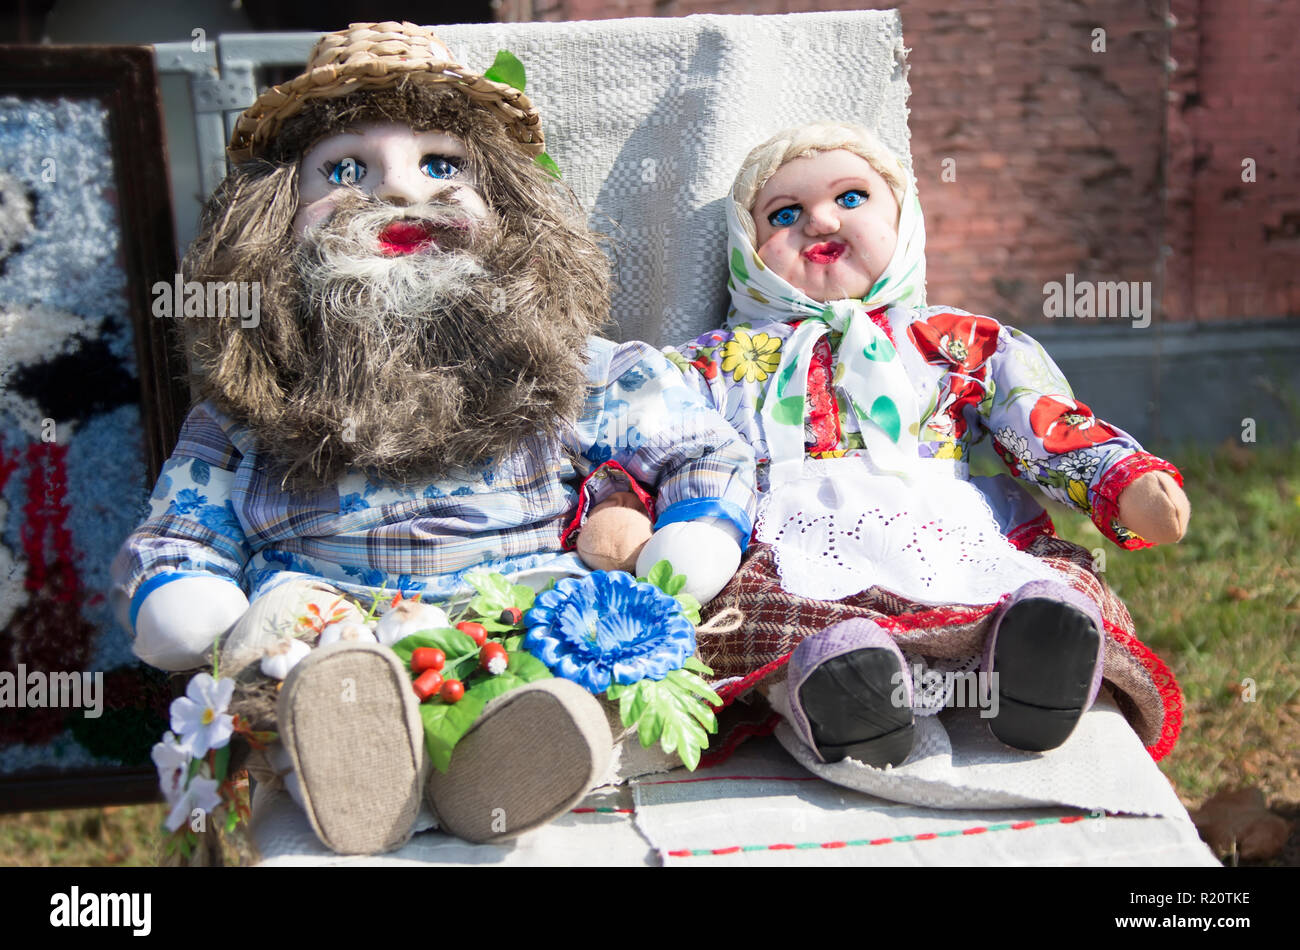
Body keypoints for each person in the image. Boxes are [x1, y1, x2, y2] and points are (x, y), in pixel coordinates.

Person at [111, 21, 754, 853]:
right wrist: (183, 593)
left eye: (442, 165)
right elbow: (179, 534)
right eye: (345, 170)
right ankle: (363, 769)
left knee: (543, 687)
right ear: (273, 218)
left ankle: (503, 760)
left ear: (510, 207)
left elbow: (701, 448)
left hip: (520, 634)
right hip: (327, 642)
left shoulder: (568, 372)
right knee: (319, 679)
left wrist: (697, 527)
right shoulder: (246, 410)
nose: (403, 193)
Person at [665, 122, 1189, 769]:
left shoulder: (962, 343)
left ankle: (1033, 667)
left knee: (1047, 583)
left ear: (904, 219)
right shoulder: (719, 363)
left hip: (951, 521)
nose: (820, 220)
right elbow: (666, 437)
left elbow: (1039, 417)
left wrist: (1120, 477)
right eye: (785, 213)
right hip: (793, 534)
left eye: (851, 198)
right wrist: (629, 509)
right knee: (765, 611)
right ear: (746, 247)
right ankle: (841, 689)